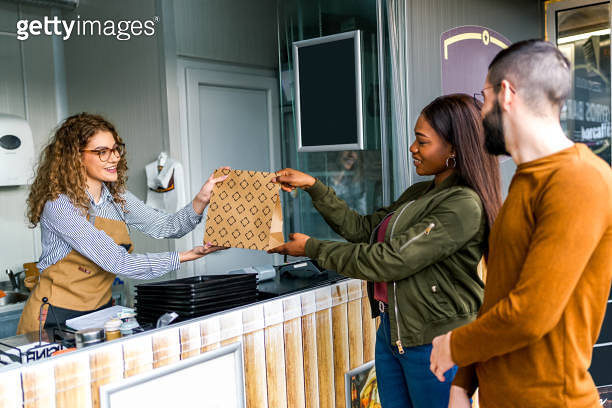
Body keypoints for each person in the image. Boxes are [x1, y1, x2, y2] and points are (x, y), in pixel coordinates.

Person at [269, 94, 502, 408]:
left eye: (422, 141)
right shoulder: (421, 193)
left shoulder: (462, 204)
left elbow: (392, 260)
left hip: (435, 343)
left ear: (453, 149)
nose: (412, 149)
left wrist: (313, 248)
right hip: (393, 335)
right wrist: (314, 186)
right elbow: (364, 230)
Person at [429, 40, 612, 408]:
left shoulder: (579, 179)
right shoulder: (526, 180)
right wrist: (462, 382)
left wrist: (454, 346)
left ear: (507, 93)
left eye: (484, 99)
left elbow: (530, 315)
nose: (480, 115)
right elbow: (499, 293)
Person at [17, 113, 226, 334]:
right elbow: (119, 263)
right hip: (56, 316)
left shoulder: (117, 197)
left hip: (100, 313)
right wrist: (188, 255)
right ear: (75, 157)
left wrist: (202, 199)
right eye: (102, 152)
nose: (114, 157)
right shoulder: (59, 205)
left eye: (116, 149)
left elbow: (167, 226)